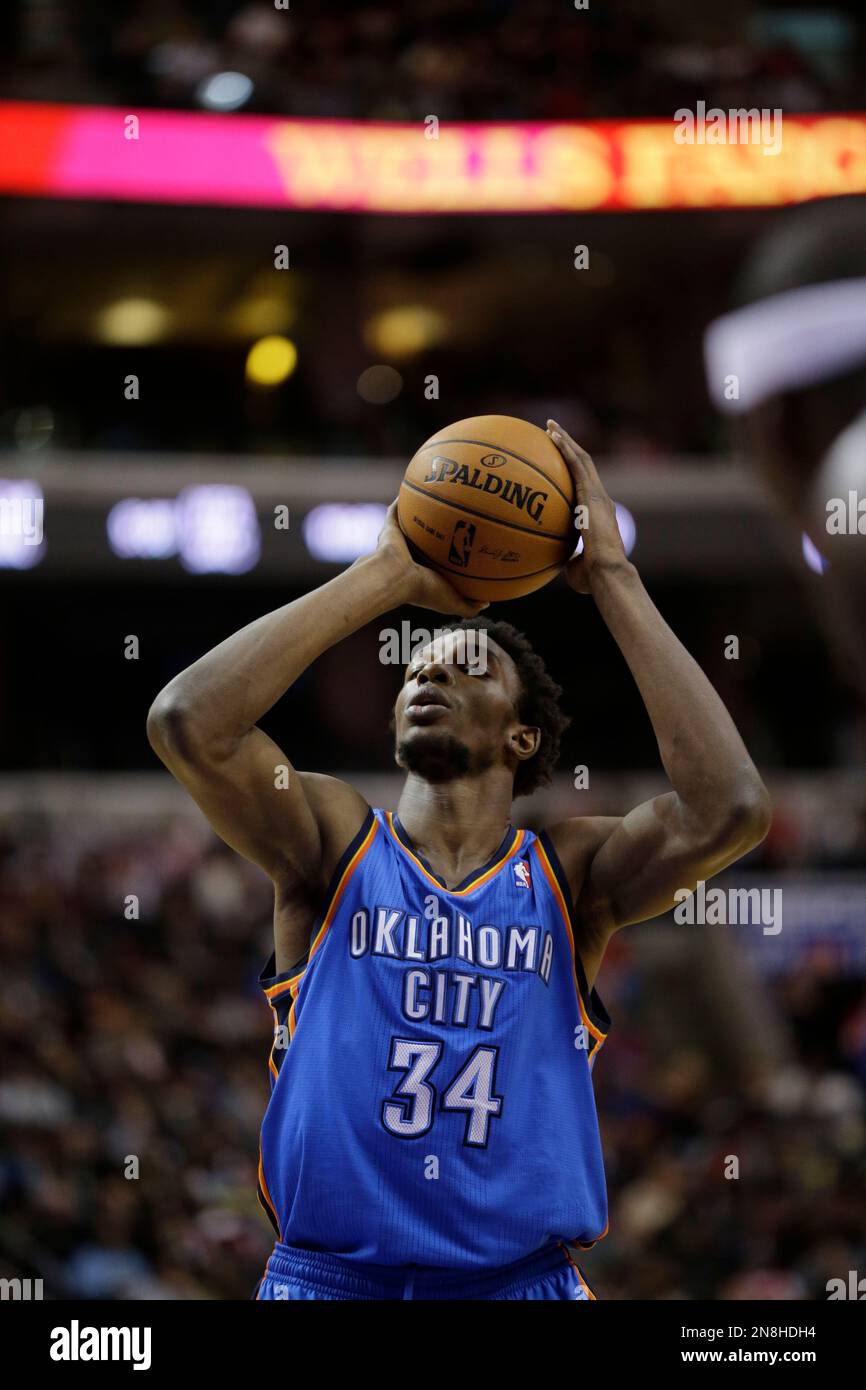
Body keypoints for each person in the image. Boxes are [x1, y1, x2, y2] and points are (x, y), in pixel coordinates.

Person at [147, 420, 771, 1301]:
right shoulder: (330, 842)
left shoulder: (568, 874)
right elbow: (188, 723)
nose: (427, 678)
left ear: (523, 736)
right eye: (416, 671)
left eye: (465, 667)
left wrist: (615, 580)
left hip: (518, 1284)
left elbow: (730, 809)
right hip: (330, 1282)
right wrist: (385, 576)